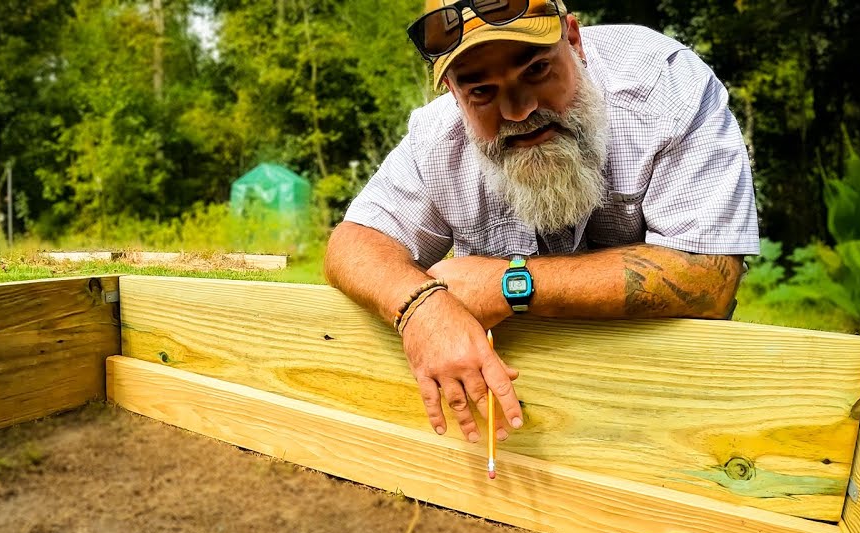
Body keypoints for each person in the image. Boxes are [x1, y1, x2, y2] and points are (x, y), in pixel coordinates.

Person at [324, 0, 759, 446]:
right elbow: (354, 241)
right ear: (454, 95)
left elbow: (710, 276)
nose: (518, 110)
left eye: (535, 70)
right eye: (481, 92)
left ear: (573, 40)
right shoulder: (438, 139)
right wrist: (420, 307)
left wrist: (511, 284)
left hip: (675, 414)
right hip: (523, 430)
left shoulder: (664, 86)